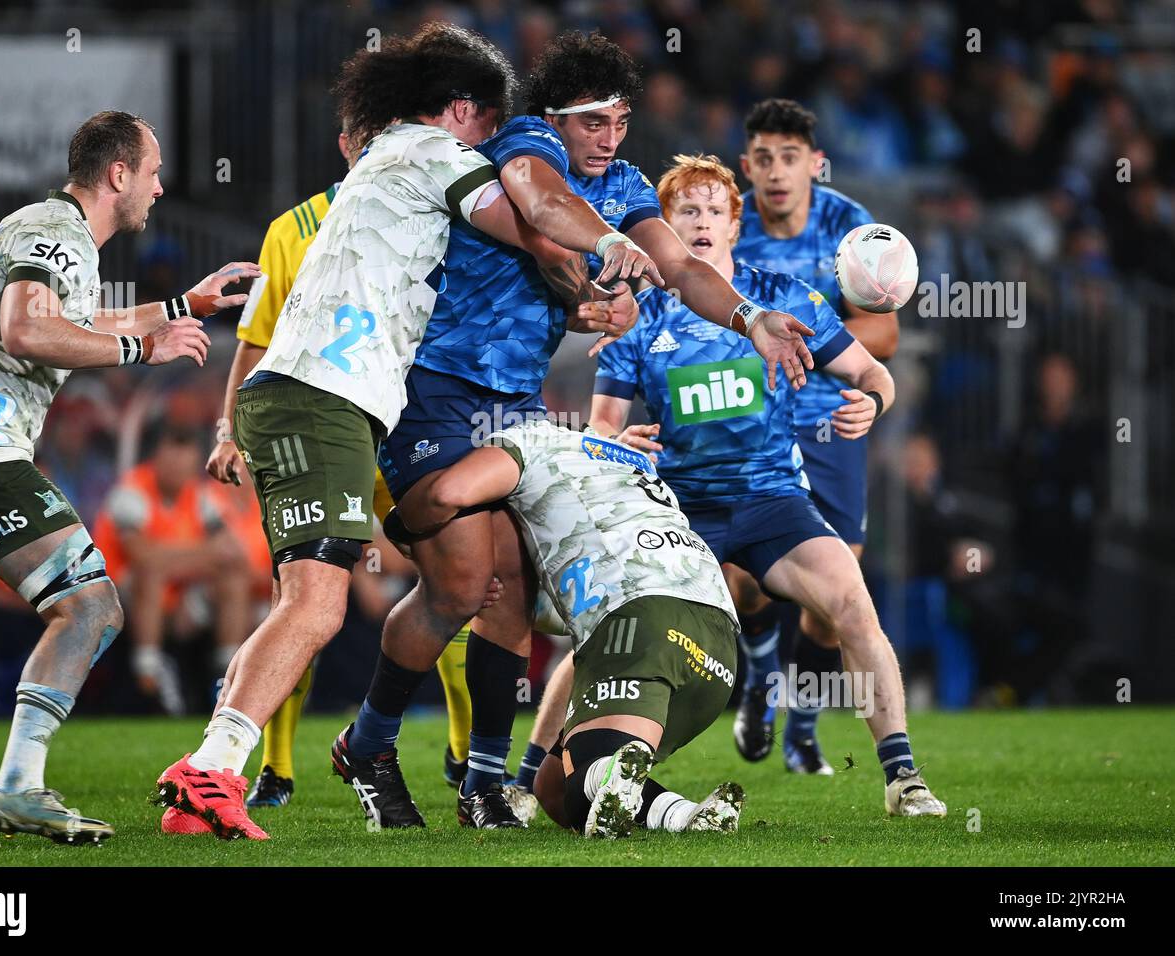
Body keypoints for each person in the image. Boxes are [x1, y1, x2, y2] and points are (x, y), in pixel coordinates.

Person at [153, 22, 658, 841]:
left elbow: (515, 261)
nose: (495, 141)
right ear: (461, 110)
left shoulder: (390, 163)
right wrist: (605, 249)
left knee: (359, 595)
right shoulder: (430, 152)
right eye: (491, 126)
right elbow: (527, 221)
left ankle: (222, 767)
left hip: (334, 399)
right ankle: (217, 771)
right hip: (322, 396)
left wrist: (580, 297)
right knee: (319, 607)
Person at [342, 29, 817, 831]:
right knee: (460, 583)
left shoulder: (625, 180)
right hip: (435, 387)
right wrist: (607, 246)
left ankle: (486, 782)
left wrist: (751, 317)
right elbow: (537, 202)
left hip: (513, 399)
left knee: (513, 591)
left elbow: (681, 268)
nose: (609, 138)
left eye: (620, 120)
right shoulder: (527, 143)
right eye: (592, 122)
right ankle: (370, 743)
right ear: (556, 118)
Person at [0, 109, 249, 844]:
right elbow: (27, 329)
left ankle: (16, 784)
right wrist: (147, 351)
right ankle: (17, 786)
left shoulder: (47, 233)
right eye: (152, 171)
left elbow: (68, 321)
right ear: (118, 176)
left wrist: (180, 306)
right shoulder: (59, 233)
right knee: (91, 607)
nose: (160, 186)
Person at [589, 153, 945, 817]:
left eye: (712, 210)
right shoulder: (635, 317)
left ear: (734, 224)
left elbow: (875, 374)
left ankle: (903, 778)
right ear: (662, 226)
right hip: (679, 509)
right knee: (618, 628)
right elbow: (601, 428)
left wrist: (873, 400)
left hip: (771, 500)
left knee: (850, 602)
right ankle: (535, 767)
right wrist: (616, 444)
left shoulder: (783, 299)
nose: (698, 221)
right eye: (684, 211)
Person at [200, 122, 478, 814]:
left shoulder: (444, 203)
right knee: (308, 592)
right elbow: (257, 341)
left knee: (460, 577)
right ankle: (274, 767)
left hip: (410, 421)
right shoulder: (291, 229)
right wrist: (227, 430)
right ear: (346, 140)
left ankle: (466, 753)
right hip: (329, 419)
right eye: (366, 134)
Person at [386, 418, 746, 839]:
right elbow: (575, 604)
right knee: (554, 788)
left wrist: (404, 527)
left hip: (641, 616)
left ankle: (606, 770)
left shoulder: (529, 439)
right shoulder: (629, 460)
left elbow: (449, 493)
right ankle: (685, 815)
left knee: (592, 768)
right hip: (717, 643)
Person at [730, 98, 899, 774]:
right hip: (754, 416)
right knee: (748, 583)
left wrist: (806, 341)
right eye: (764, 159)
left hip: (831, 419)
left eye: (790, 158)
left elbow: (884, 332)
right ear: (747, 166)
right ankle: (761, 683)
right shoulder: (729, 224)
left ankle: (800, 727)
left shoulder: (850, 228)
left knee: (837, 593)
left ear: (814, 164)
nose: (776, 172)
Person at [96, 425, 253, 714]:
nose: (179, 470)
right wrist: (202, 555)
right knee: (150, 575)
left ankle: (226, 674)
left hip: (178, 598)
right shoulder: (131, 493)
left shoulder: (199, 496)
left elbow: (231, 553)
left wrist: (171, 560)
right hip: (118, 597)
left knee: (231, 577)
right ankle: (149, 671)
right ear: (156, 459)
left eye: (187, 464)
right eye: (172, 461)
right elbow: (142, 557)